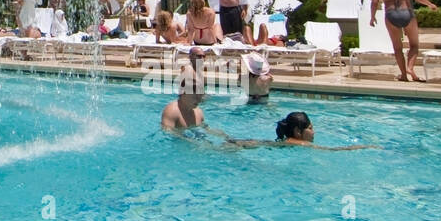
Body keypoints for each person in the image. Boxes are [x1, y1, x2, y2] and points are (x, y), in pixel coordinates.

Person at [368, 0, 436, 82]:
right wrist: (430, 4)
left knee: (397, 48)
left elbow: (374, 2)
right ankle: (410, 68)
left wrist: (372, 17)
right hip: (406, 13)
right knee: (414, 45)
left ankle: (404, 75)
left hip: (391, 15)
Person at [226, 111, 376, 150]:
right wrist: (364, 146)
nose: (314, 132)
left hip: (246, 144)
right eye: (310, 128)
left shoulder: (286, 141)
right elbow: (333, 150)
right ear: (298, 131)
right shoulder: (300, 144)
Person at [160, 50, 225, 135]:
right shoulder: (172, 111)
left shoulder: (198, 112)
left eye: (203, 56)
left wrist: (227, 138)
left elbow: (206, 128)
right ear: (191, 57)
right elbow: (168, 133)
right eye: (199, 56)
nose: (202, 58)